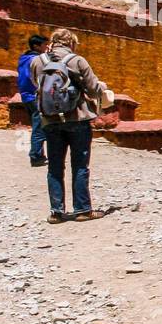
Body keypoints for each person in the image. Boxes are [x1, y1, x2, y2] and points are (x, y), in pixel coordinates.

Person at [30, 28, 113, 224]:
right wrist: (103, 88)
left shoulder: (37, 61)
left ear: (52, 42)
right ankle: (83, 210)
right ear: (71, 43)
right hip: (77, 118)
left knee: (55, 166)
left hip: (50, 120)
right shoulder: (77, 61)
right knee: (80, 165)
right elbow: (93, 89)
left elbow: (38, 85)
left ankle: (56, 212)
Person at [17, 34, 48, 167]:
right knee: (39, 127)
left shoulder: (23, 59)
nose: (47, 47)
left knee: (36, 125)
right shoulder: (36, 60)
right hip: (35, 96)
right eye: (44, 45)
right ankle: (35, 156)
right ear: (36, 46)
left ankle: (40, 154)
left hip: (25, 96)